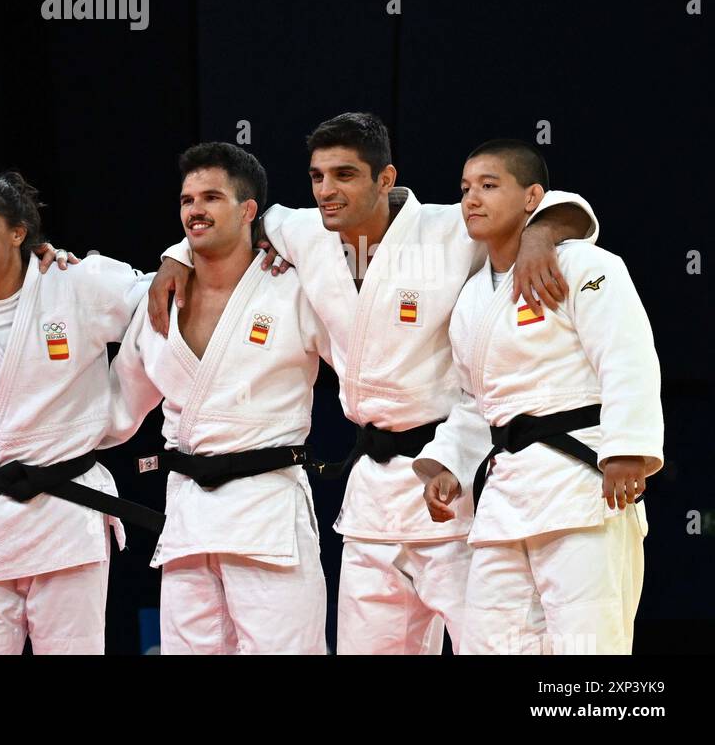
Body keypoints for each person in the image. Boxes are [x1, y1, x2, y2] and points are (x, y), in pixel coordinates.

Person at [149, 111, 598, 655]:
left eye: (344, 175)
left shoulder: (449, 229)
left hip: (451, 477)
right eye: (316, 177)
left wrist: (539, 236)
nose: (326, 191)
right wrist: (175, 257)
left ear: (386, 180)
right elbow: (241, 222)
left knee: (500, 647)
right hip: (370, 497)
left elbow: (570, 209)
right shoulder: (305, 231)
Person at [414, 140, 662, 655]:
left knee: (589, 649)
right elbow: (475, 401)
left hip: (582, 487)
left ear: (533, 197)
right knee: (488, 644)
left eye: (488, 185)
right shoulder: (470, 299)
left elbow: (627, 357)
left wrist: (626, 449)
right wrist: (449, 463)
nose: (471, 199)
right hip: (505, 499)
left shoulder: (586, 265)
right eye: (464, 189)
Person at [0, 170, 160, 655]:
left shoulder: (74, 282)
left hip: (67, 515)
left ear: (19, 231)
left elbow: (161, 298)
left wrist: (119, 412)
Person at [104, 143, 329, 655]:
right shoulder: (159, 299)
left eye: (211, 197)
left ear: (250, 211)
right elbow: (118, 406)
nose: (194, 210)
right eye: (186, 200)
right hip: (188, 519)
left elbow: (363, 362)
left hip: (267, 512)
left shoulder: (293, 289)